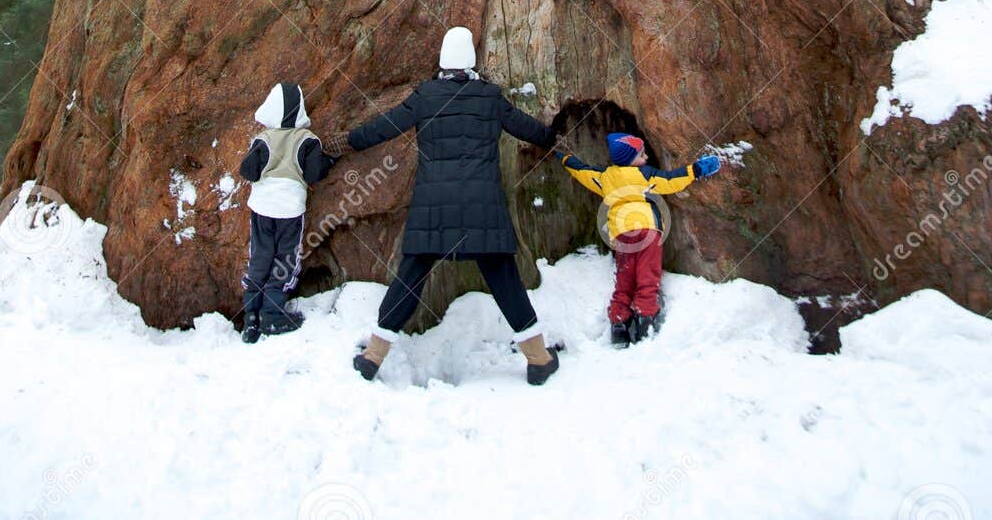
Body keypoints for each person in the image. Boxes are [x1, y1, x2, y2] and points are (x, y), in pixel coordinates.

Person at [335, 25, 560, 385]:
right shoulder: (489, 97)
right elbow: (528, 129)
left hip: (433, 205)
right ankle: (538, 359)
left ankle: (373, 356)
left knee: (409, 278)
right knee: (505, 280)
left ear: (442, 61)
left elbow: (384, 126)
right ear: (470, 61)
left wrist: (346, 143)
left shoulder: (426, 96)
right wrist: (556, 136)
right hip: (481, 205)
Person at [554, 131, 721, 345]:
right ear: (632, 160)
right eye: (642, 155)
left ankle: (619, 324)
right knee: (647, 275)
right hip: (647, 230)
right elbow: (672, 181)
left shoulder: (605, 178)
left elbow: (582, 171)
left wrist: (565, 158)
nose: (646, 158)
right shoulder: (645, 175)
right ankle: (645, 319)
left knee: (625, 278)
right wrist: (696, 169)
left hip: (623, 235)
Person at [239, 80, 335, 343]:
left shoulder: (262, 139)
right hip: (290, 210)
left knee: (260, 256)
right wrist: (327, 162)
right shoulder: (307, 140)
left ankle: (251, 316)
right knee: (285, 259)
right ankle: (272, 312)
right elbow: (314, 173)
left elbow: (248, 171)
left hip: (262, 208)